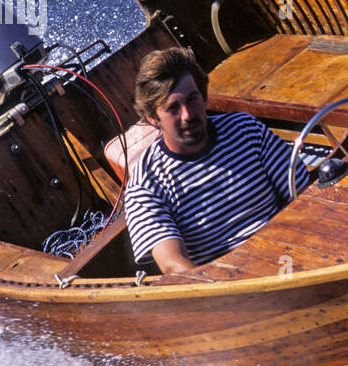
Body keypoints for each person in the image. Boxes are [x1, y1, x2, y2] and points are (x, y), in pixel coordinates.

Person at [123, 47, 309, 274]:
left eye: (192, 99)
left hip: (297, 251)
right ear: (153, 118)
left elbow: (304, 196)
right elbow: (173, 266)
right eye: (173, 107)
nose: (187, 115)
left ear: (204, 97)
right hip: (233, 284)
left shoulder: (245, 129)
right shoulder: (146, 186)